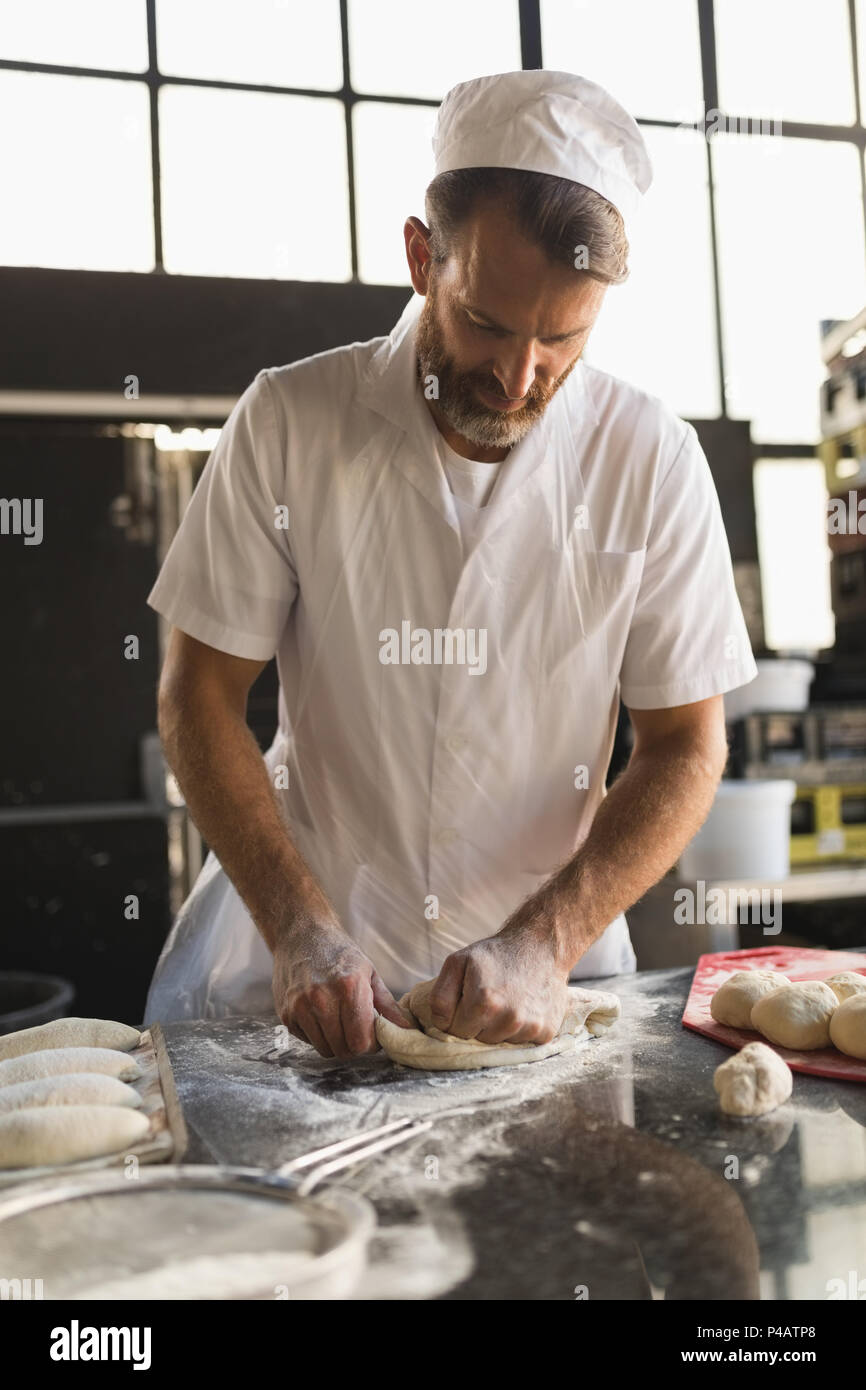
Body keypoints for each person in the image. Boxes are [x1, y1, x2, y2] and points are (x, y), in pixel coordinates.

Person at [144, 70, 756, 1056]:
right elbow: (198, 695)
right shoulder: (292, 420)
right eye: (486, 322)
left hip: (549, 998)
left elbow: (685, 746)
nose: (519, 379)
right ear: (422, 258)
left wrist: (547, 940)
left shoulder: (648, 455)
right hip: (311, 993)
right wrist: (299, 929)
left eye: (562, 340)